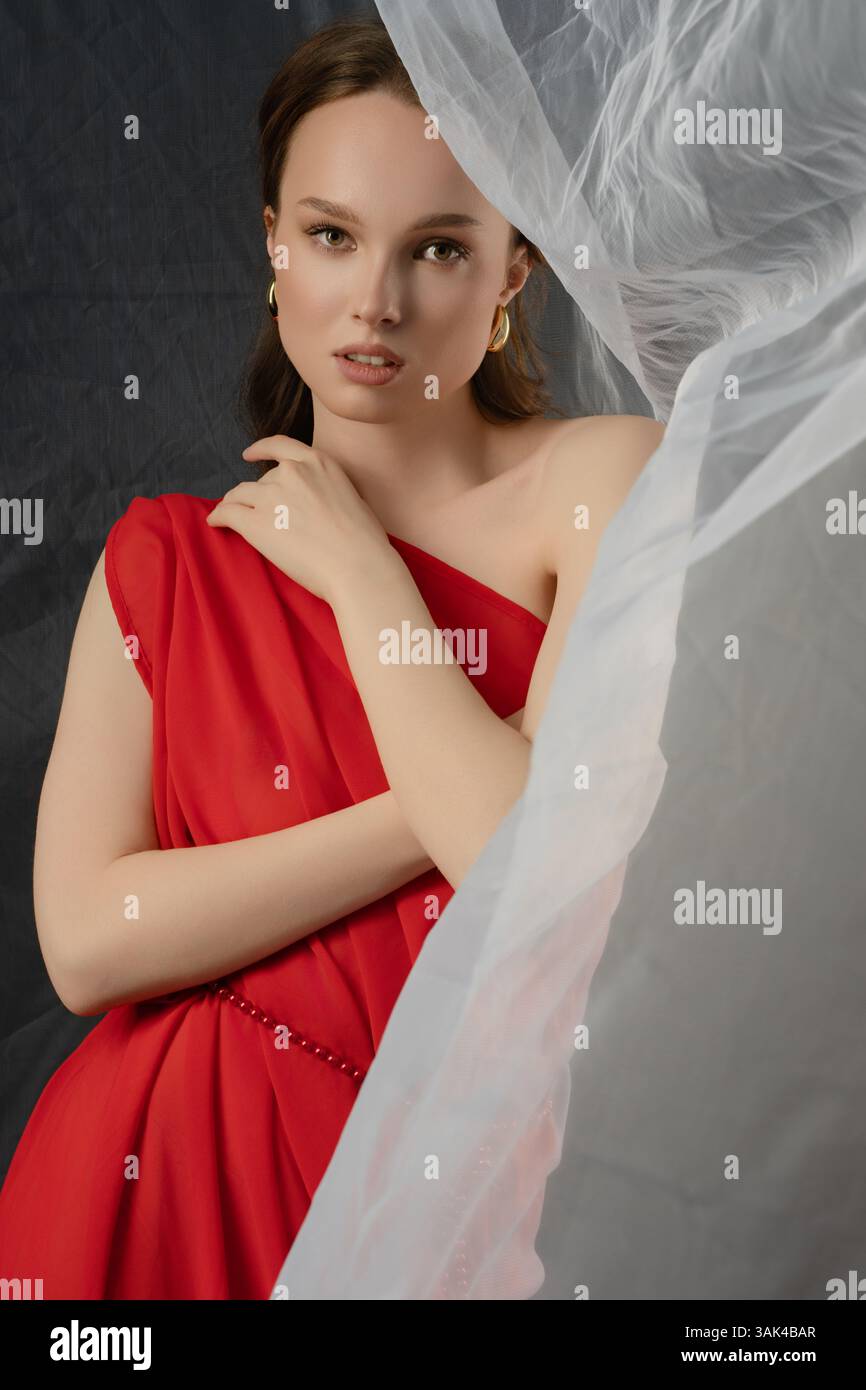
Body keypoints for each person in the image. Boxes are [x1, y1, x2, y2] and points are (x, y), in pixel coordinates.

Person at [0, 15, 662, 1299]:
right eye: (329, 235)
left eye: (437, 248)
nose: (375, 300)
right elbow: (85, 942)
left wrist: (366, 580)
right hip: (144, 1195)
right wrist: (475, 781)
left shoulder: (597, 478)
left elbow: (532, 881)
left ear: (512, 269)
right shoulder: (171, 560)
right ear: (270, 247)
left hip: (452, 1197)